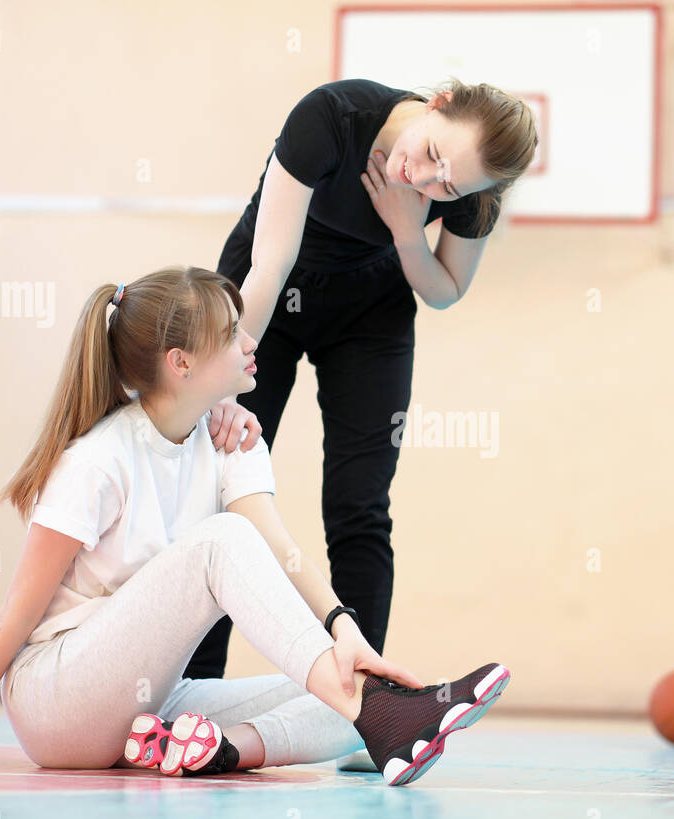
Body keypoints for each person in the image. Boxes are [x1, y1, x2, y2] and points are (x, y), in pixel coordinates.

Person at [0, 267, 510, 786]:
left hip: (145, 704)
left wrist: (344, 631)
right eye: (233, 334)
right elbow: (16, 616)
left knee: (334, 698)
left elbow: (283, 552)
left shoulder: (231, 438)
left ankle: (228, 749)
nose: (253, 344)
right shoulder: (97, 460)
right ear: (180, 362)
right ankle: (380, 713)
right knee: (222, 546)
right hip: (57, 703)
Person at [185, 78, 537, 746]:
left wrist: (409, 231)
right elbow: (269, 262)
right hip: (270, 297)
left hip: (371, 311)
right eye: (432, 154)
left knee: (360, 504)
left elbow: (446, 289)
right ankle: (192, 697)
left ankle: (366, 714)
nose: (426, 177)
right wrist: (225, 386)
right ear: (436, 103)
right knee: (220, 493)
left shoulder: (467, 194)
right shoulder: (331, 118)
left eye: (447, 188)